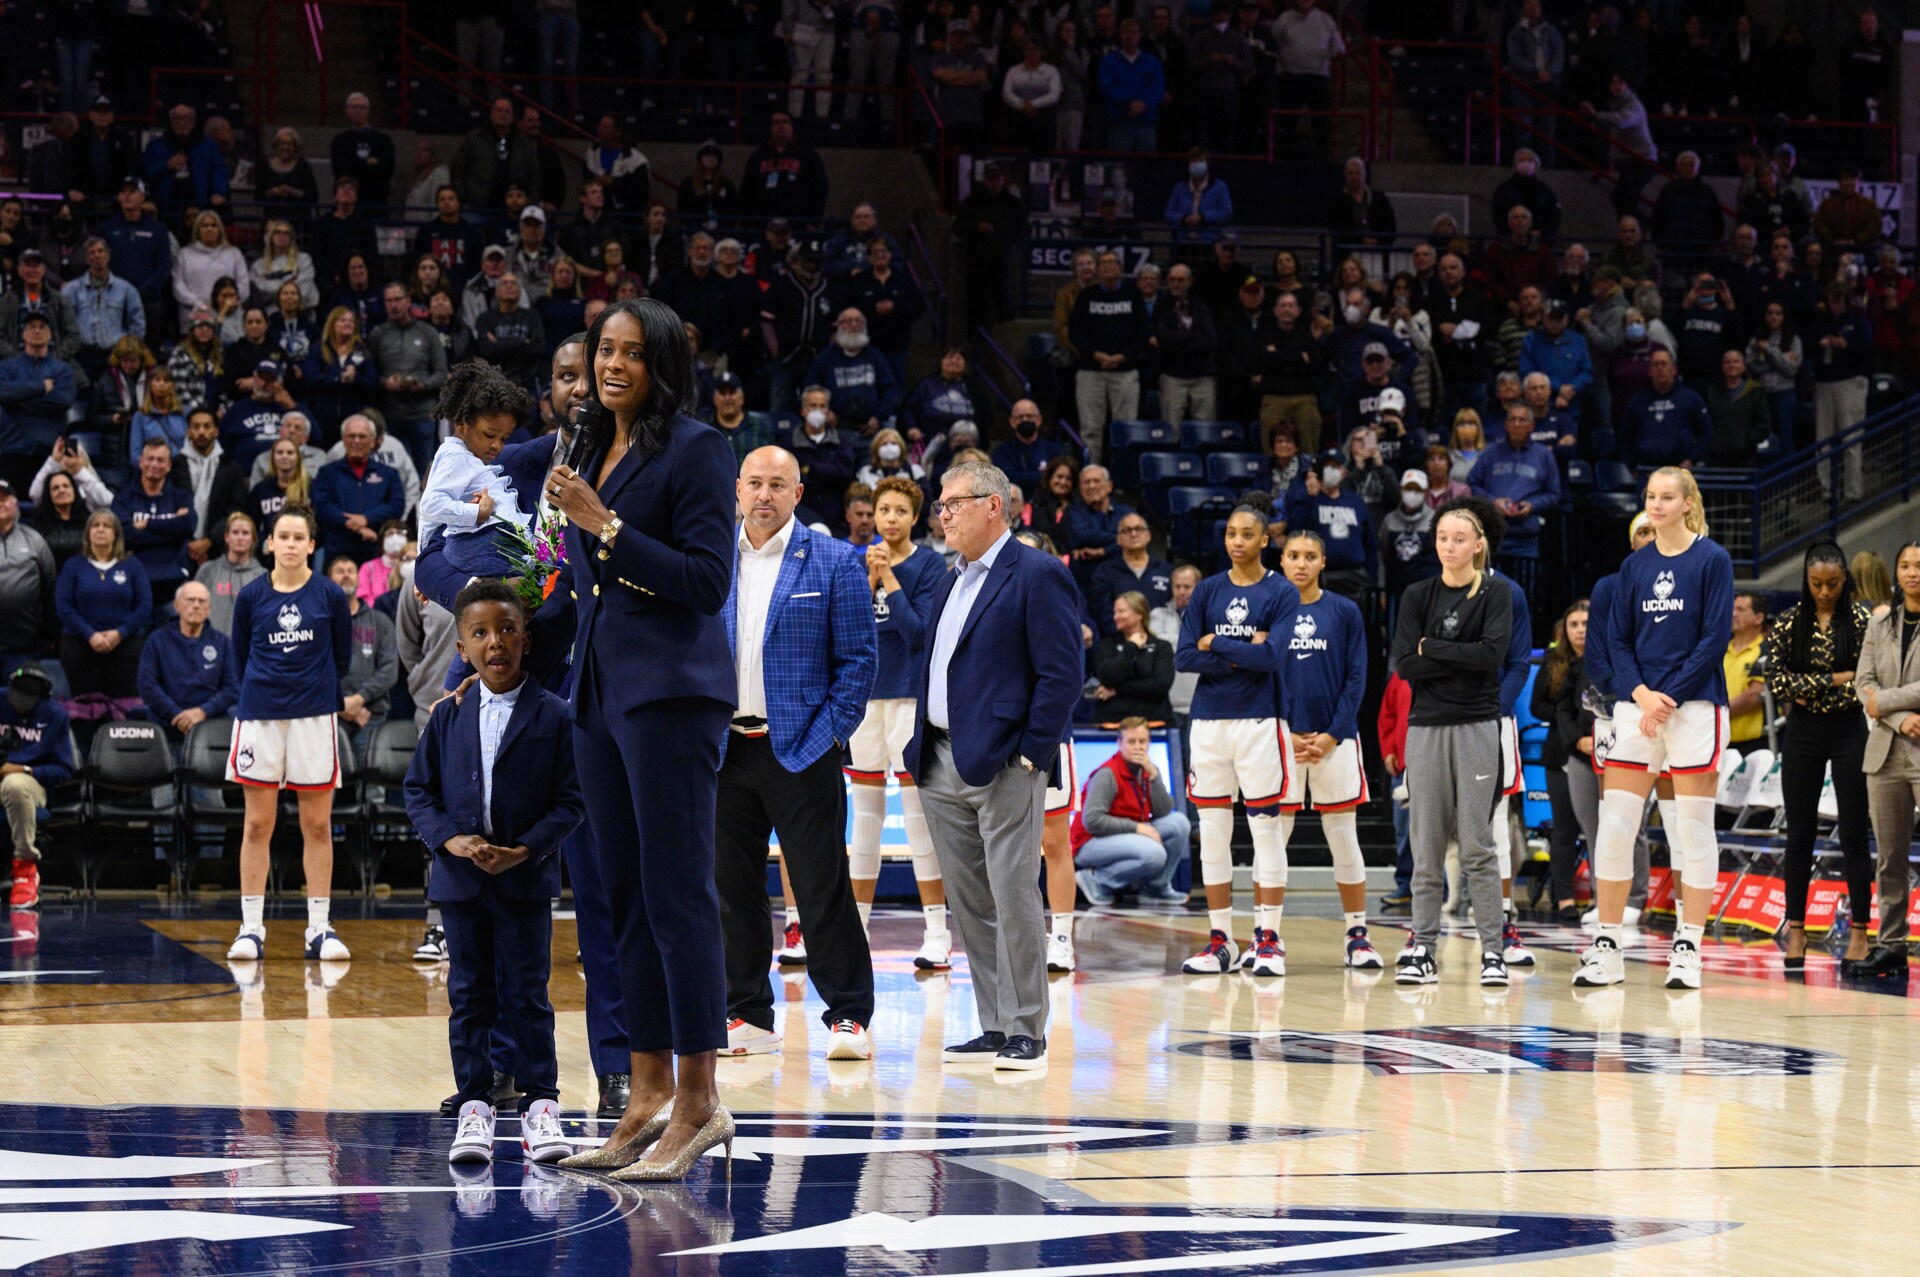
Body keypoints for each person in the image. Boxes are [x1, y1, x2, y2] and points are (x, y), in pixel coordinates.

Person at [538, 299, 736, 1180]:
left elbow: (706, 580)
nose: (611, 365)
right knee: (620, 898)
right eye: (602, 351)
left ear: (660, 364)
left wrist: (606, 525)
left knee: (677, 895)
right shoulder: (587, 449)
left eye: (630, 353)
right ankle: (647, 1090)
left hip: (672, 694)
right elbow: (586, 587)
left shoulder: (697, 449)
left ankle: (701, 1098)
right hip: (599, 693)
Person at [908, 460, 1080, 1070]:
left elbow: (1062, 674)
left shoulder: (1038, 573)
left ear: (993, 506)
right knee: (971, 902)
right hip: (939, 757)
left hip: (1007, 760)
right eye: (941, 504)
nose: (944, 514)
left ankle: (1027, 1028)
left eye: (954, 502)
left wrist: (1032, 753)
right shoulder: (947, 579)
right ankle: (994, 1023)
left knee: (1013, 896)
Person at [406, 579, 582, 1168]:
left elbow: (571, 802)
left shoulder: (555, 714)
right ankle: (475, 1104)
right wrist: (450, 839)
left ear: (527, 640)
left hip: (524, 881)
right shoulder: (447, 715)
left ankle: (541, 1104)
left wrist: (524, 850)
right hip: (460, 883)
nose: (495, 642)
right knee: (468, 996)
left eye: (507, 630)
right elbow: (418, 792)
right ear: (462, 647)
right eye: (480, 633)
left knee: (528, 994)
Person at [712, 445, 877, 1062]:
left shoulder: (834, 561)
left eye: (777, 484)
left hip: (803, 749)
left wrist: (829, 736)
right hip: (724, 749)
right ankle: (748, 1013)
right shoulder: (710, 559)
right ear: (737, 489)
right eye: (754, 483)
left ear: (798, 493)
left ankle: (849, 1014)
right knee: (732, 889)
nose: (764, 495)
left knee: (820, 885)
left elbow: (859, 661)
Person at [1576, 468, 1732, 992]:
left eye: (1667, 497)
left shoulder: (1712, 559)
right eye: (1650, 497)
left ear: (1688, 503)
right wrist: (1641, 694)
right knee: (1616, 826)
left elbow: (1714, 639)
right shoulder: (1634, 566)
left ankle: (1688, 948)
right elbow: (1617, 642)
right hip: (1637, 707)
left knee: (1692, 830)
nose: (1657, 504)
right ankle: (1607, 947)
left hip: (1695, 707)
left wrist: (1669, 698)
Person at [1176, 491, 1300, 976]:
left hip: (1259, 720)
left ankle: (1268, 938)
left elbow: (1273, 658)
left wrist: (1218, 643)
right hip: (1208, 722)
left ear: (1265, 540)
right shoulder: (1207, 590)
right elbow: (1185, 656)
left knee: (1266, 830)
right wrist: (1244, 647)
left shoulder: (1282, 592)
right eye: (1231, 533)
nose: (1237, 541)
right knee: (1212, 833)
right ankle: (1221, 940)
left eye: (1247, 534)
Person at [1388, 505, 1512, 987]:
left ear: (1477, 545)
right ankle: (1422, 948)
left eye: (1459, 538)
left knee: (1478, 844)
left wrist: (1432, 648)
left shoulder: (1496, 593)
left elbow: (1491, 656)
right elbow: (1405, 663)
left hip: (1477, 725)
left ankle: (1493, 953)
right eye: (1442, 537)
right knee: (1427, 846)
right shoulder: (1417, 594)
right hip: (1425, 727)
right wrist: (1460, 655)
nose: (1449, 546)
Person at [222, 506, 352, 962]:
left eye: (300, 537)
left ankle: (319, 928)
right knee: (257, 824)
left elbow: (342, 659)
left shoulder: (330, 595)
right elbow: (239, 658)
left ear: (312, 545)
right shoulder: (250, 597)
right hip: (260, 716)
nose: (292, 544)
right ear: (270, 543)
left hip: (314, 718)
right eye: (284, 536)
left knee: (316, 825)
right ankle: (250, 928)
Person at [842, 475, 951, 967]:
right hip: (865, 702)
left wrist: (888, 579)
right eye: (883, 510)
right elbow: (848, 629)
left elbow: (918, 634)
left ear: (914, 517)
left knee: (918, 820)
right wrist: (868, 579)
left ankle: (937, 934)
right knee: (865, 822)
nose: (889, 518)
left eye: (900, 511)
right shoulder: (854, 561)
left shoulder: (928, 565)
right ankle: (857, 930)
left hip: (909, 700)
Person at [1761, 542, 1873, 971]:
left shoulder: (1861, 620)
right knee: (1799, 834)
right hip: (1803, 733)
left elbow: (1867, 682)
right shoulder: (1790, 621)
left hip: (1849, 730)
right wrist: (1834, 678)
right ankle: (1796, 929)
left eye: (1833, 584)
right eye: (1816, 584)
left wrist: (1811, 684)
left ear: (1845, 580)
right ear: (1805, 581)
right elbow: (1777, 682)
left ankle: (1859, 931)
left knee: (1854, 834)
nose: (1824, 592)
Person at [1275, 529, 1380, 967]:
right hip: (1280, 740)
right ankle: (1267, 936)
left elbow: (1357, 678)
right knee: (1272, 840)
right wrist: (1283, 732)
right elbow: (1256, 676)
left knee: (1343, 836)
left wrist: (1332, 733)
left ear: (1323, 562)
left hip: (1335, 741)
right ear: (1281, 561)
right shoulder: (1266, 611)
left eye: (1310, 556)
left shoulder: (1344, 611)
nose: (1301, 563)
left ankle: (1357, 934)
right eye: (1293, 555)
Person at [1853, 541, 1920, 978]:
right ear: (1895, 572)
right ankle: (1892, 944)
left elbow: (1879, 695)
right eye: (1905, 565)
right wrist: (1899, 718)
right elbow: (1864, 682)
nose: (1913, 573)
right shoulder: (1879, 624)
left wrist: (1885, 703)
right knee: (1889, 856)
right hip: (1885, 751)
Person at [1071, 715, 1189, 904]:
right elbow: (1092, 821)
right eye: (1131, 742)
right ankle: (1096, 880)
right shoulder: (1107, 774)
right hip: (1089, 843)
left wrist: (1154, 776)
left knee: (1179, 823)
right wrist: (1137, 828)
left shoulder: (1147, 771)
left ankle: (1154, 888)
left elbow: (1164, 811)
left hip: (1124, 834)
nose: (1138, 747)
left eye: (1142, 741)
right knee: (1154, 854)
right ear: (1120, 743)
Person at [1535, 599, 1592, 923]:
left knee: (1599, 828)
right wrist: (1564, 716)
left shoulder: (1604, 658)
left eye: (1585, 624)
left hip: (1597, 749)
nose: (1580, 630)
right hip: (1559, 750)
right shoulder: (1553, 660)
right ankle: (1564, 899)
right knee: (1564, 828)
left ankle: (1602, 899)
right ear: (1564, 629)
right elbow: (1536, 705)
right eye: (1574, 625)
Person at [54, 509, 149, 698]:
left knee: (123, 706)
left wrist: (120, 633)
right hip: (80, 645)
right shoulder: (74, 565)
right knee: (85, 707)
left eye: (107, 526)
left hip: (125, 645)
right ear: (88, 533)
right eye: (95, 525)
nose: (100, 530)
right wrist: (90, 634)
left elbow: (144, 604)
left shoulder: (132, 565)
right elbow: (63, 605)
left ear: (116, 534)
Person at [1069, 251, 1150, 461]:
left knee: (1125, 429)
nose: (1107, 266)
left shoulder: (1133, 295)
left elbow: (1143, 333)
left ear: (1120, 268)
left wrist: (1124, 356)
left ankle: (1123, 474)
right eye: (1103, 263)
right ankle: (1091, 472)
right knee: (1090, 429)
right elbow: (1074, 332)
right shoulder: (1086, 296)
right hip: (1091, 371)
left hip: (1125, 371)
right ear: (1097, 268)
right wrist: (1096, 355)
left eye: (1112, 262)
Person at [136, 578, 236, 743]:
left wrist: (202, 712)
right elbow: (147, 685)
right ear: (177, 606)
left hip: (210, 724)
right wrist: (176, 714)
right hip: (166, 724)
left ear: (209, 609)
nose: (196, 605)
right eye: (190, 600)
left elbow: (233, 688)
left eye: (202, 601)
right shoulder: (157, 640)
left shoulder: (223, 643)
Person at [372, 283, 450, 477]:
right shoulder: (378, 335)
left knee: (426, 471)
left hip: (422, 413)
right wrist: (385, 383)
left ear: (408, 301)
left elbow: (441, 373)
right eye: (389, 301)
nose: (394, 305)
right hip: (390, 415)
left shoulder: (428, 332)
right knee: (391, 473)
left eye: (398, 299)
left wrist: (422, 385)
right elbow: (370, 374)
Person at [312, 415, 406, 567]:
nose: (356, 441)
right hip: (337, 552)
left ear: (372, 441)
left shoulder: (389, 474)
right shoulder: (327, 473)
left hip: (376, 550)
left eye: (362, 436)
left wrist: (367, 519)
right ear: (343, 440)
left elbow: (397, 505)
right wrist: (351, 524)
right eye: (351, 436)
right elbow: (322, 505)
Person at [111, 438, 194, 604]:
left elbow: (188, 525)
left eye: (160, 460)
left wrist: (147, 524)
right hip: (133, 583)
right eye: (150, 459)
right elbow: (123, 536)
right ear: (141, 462)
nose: (154, 464)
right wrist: (171, 530)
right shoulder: (123, 499)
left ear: (169, 466)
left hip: (174, 582)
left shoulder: (181, 497)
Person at [1810, 283, 1872, 501]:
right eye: (1832, 301)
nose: (1835, 305)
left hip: (1850, 382)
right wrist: (1820, 345)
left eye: (1839, 301)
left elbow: (1868, 349)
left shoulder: (1858, 320)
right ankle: (1827, 490)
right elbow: (1808, 348)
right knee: (1823, 441)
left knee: (1851, 440)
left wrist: (1847, 346)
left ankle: (1853, 491)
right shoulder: (1821, 321)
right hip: (1824, 383)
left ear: (1846, 301)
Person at [1092, 590, 1174, 722]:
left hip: (1153, 721)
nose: (1115, 617)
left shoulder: (1162, 647)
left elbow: (1160, 685)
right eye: (1115, 612)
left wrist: (1117, 690)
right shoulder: (1107, 644)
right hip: (1112, 721)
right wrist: (1131, 647)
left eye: (1121, 611)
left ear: (1139, 614)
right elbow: (1107, 677)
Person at [196, 511, 263, 634]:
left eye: (245, 533)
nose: (240, 537)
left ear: (253, 539)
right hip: (211, 643)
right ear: (226, 537)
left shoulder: (263, 577)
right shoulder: (208, 571)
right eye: (235, 532)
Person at [1726, 591, 1768, 755]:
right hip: (1721, 742)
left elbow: (1754, 696)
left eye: (1740, 610)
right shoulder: (1721, 650)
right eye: (1732, 609)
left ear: (1758, 618)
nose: (1733, 614)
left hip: (1754, 746)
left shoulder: (1766, 650)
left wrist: (1716, 714)